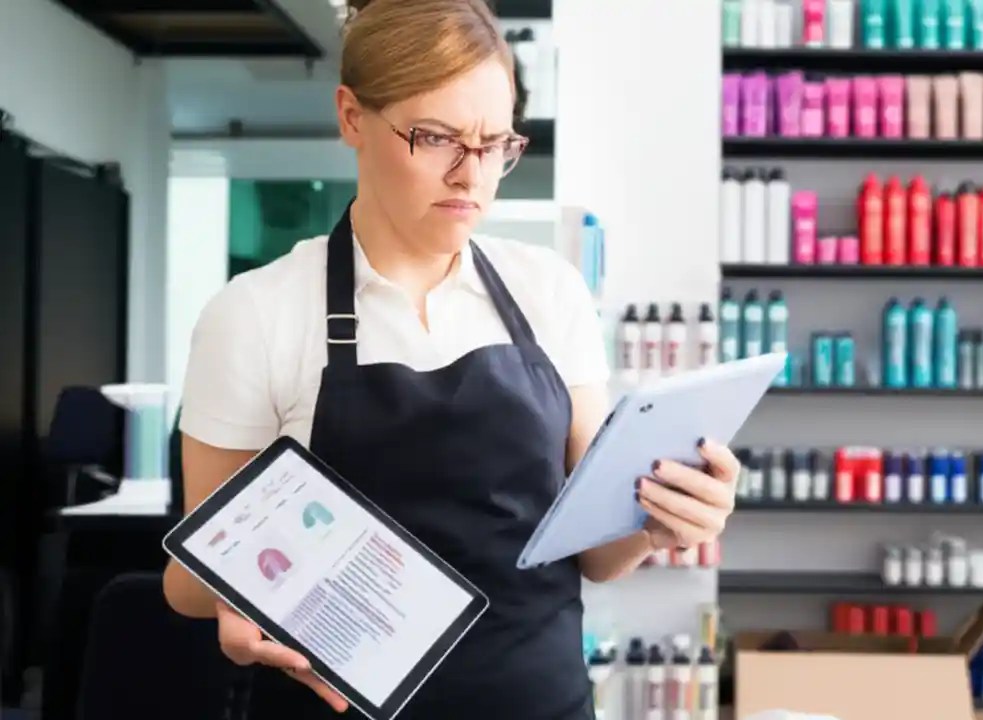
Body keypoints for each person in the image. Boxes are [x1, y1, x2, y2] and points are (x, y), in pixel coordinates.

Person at [160, 0, 741, 718]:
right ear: (351, 117)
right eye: (437, 138)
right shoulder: (255, 313)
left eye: (495, 144)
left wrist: (659, 520)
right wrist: (242, 607)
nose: (473, 175)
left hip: (541, 703)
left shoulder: (549, 290)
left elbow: (595, 555)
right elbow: (187, 579)